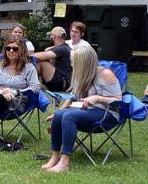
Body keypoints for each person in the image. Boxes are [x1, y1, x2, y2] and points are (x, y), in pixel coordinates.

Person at [41, 43, 122, 173]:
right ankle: (54, 157)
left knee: (69, 115)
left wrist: (97, 98)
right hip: (86, 111)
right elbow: (73, 96)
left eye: (74, 62)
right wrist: (60, 110)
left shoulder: (105, 74)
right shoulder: (79, 74)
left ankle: (65, 161)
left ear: (84, 62)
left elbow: (118, 100)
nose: (71, 64)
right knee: (60, 114)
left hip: (107, 113)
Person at [32, 26, 72, 92]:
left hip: (63, 83)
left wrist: (22, 55)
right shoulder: (64, 47)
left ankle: (30, 85)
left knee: (42, 63)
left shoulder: (62, 49)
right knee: (44, 60)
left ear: (53, 36)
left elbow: (36, 56)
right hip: (63, 82)